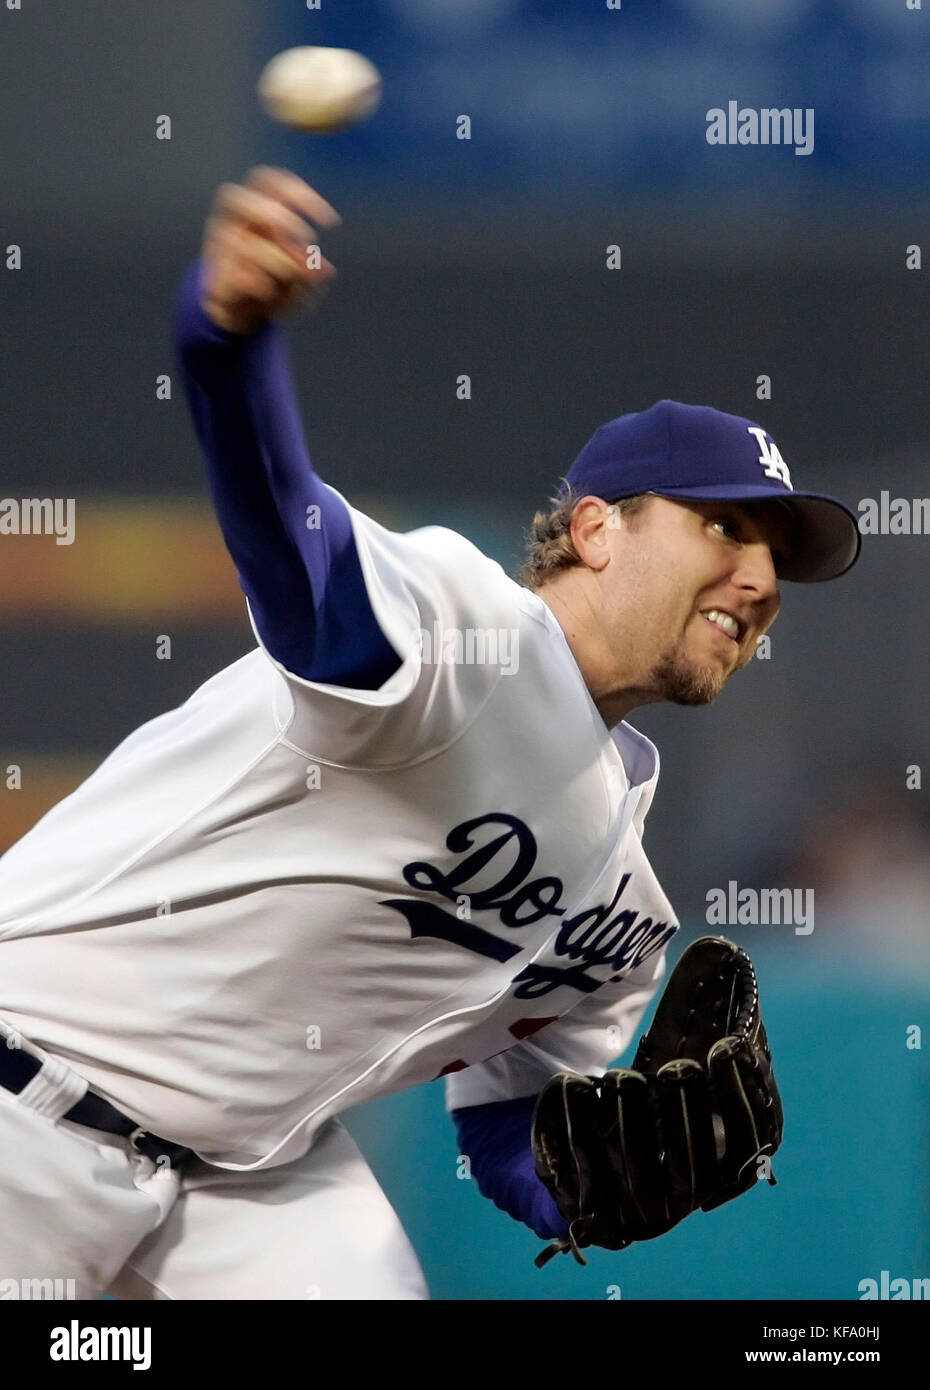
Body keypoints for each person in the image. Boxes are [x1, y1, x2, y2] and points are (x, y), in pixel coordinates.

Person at [0, 168, 860, 1300]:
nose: (757, 578)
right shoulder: (462, 635)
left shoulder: (628, 915)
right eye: (723, 526)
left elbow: (507, 1127)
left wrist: (597, 1185)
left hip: (252, 1174)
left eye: (779, 563)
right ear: (596, 529)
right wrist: (224, 350)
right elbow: (288, 538)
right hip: (27, 1099)